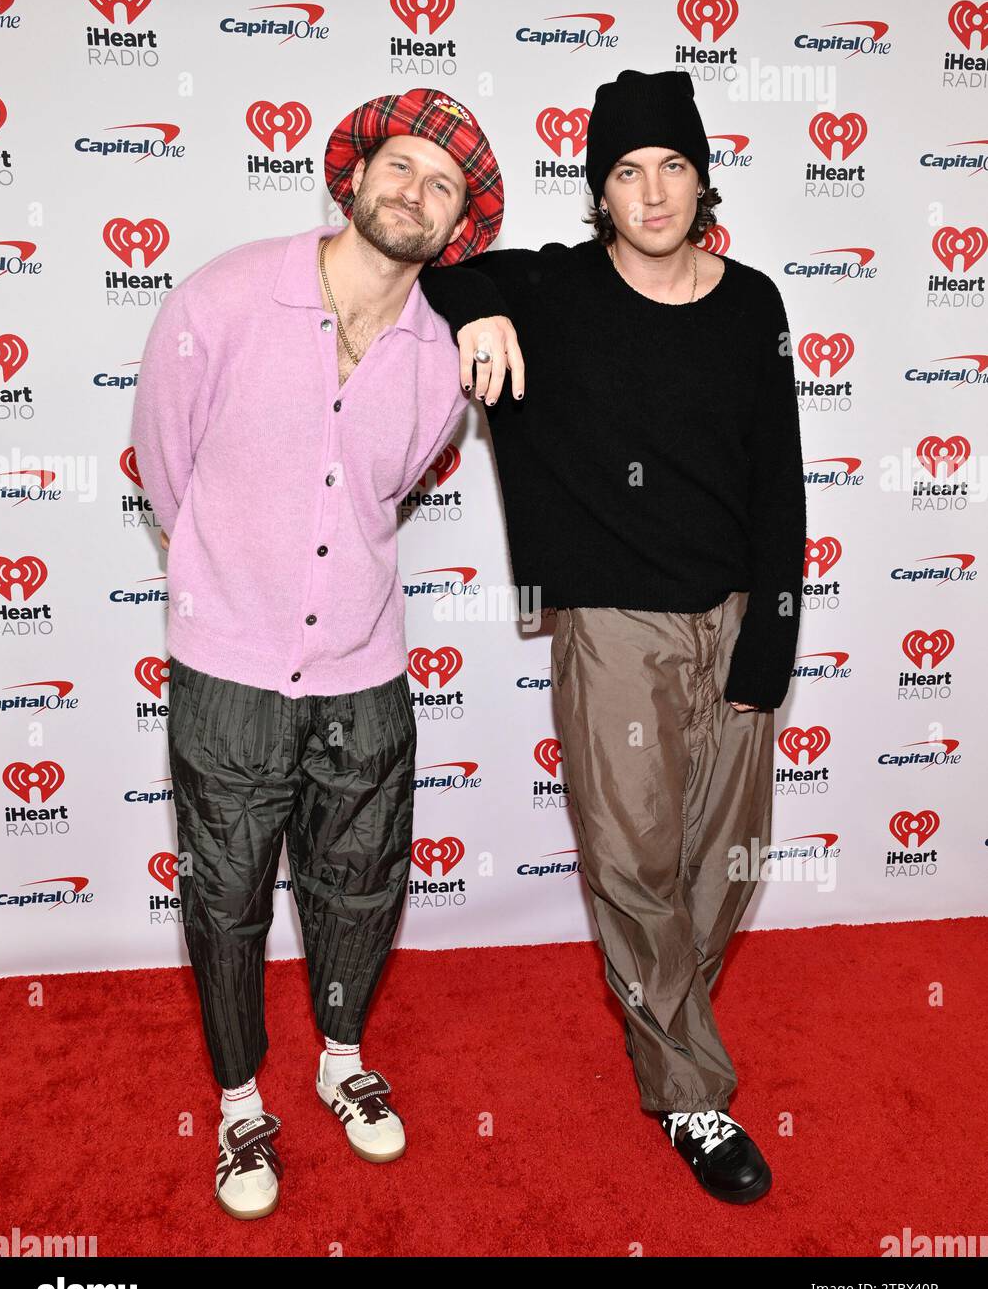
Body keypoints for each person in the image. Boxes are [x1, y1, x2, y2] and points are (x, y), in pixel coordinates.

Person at [417, 69, 807, 1204]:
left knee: (723, 866)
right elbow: (423, 275)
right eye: (626, 171)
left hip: (734, 613)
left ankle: (664, 1015)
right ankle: (692, 1096)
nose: (651, 191)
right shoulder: (554, 288)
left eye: (672, 167)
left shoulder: (754, 302)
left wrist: (770, 641)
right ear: (598, 190)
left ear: (700, 180)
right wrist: (476, 306)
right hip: (614, 631)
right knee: (636, 870)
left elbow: (778, 480)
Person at [130, 88, 514, 1219]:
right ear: (351, 176)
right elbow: (163, 465)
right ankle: (241, 1100)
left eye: (442, 186)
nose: (414, 191)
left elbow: (387, 490)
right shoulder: (224, 294)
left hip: (363, 667)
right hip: (228, 670)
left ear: (456, 230)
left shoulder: (445, 353)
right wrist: (223, 587)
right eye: (400, 165)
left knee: (359, 887)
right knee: (228, 898)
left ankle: (341, 1061)